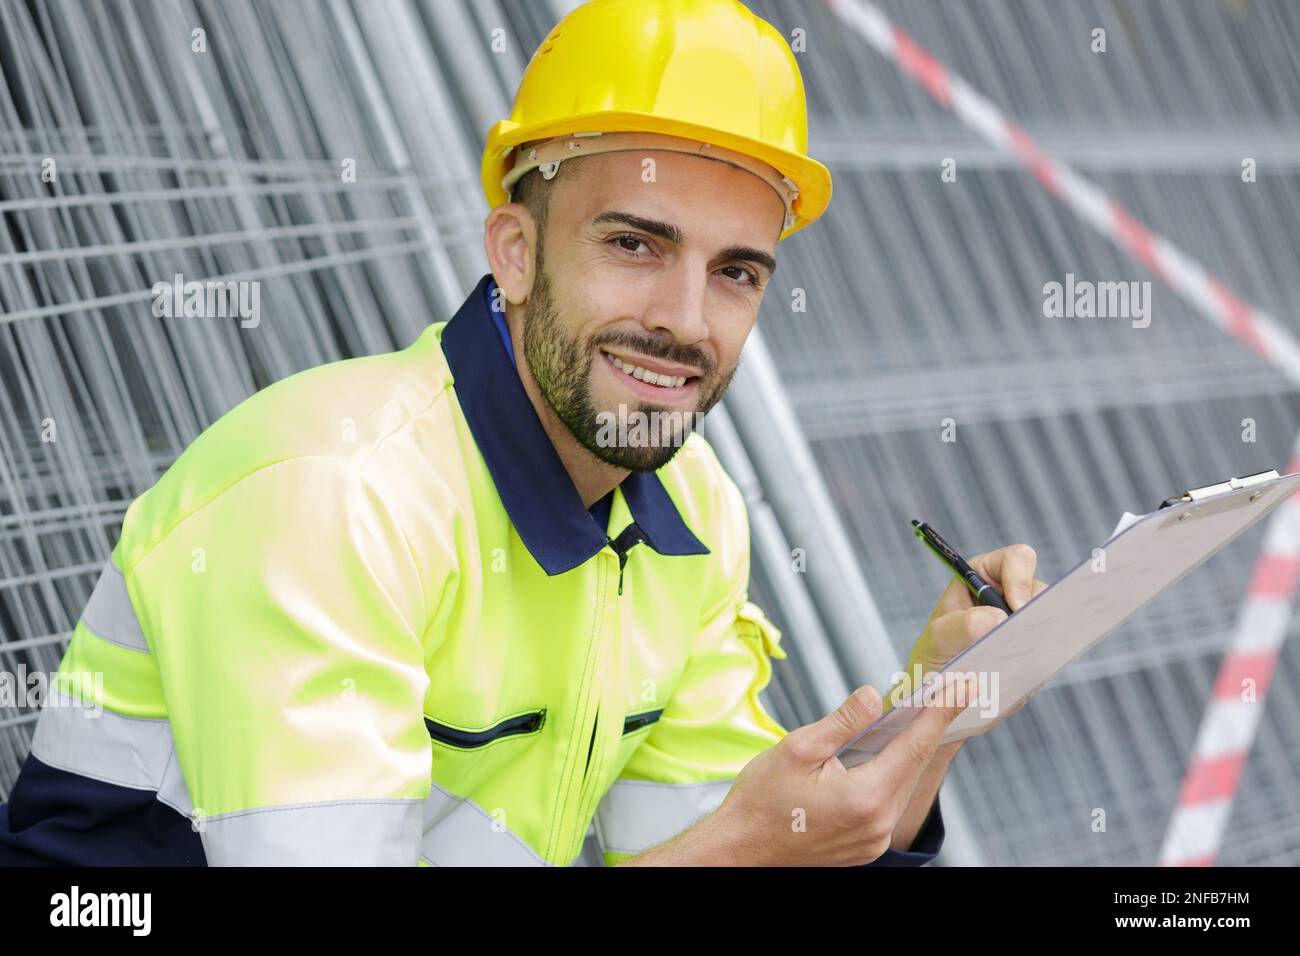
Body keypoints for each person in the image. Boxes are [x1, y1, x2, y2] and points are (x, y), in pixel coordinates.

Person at [0, 0, 1046, 866]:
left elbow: (703, 841)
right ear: (514, 251)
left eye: (735, 271)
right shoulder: (339, 494)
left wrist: (932, 709)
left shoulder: (693, 507)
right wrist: (737, 844)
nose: (687, 319)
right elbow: (721, 851)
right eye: (636, 242)